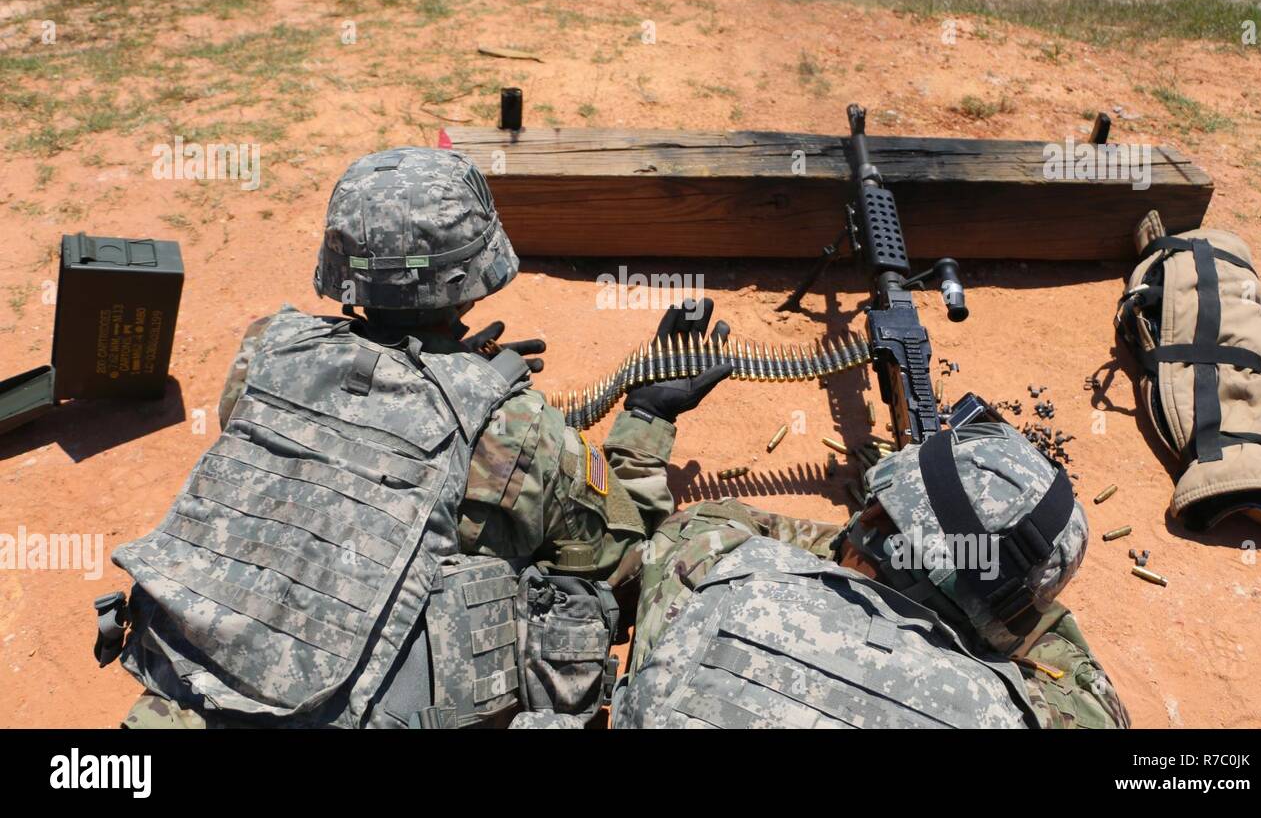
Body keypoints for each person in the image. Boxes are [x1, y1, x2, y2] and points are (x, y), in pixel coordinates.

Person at [101, 146, 731, 728]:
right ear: (476, 272)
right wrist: (645, 416)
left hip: (183, 692)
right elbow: (621, 558)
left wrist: (434, 374)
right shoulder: (517, 429)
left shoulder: (267, 350)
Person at [611, 421, 1130, 729]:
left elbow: (718, 524)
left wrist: (866, 542)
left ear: (876, 515)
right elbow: (1084, 689)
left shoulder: (717, 573)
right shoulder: (1015, 713)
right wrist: (993, 599)